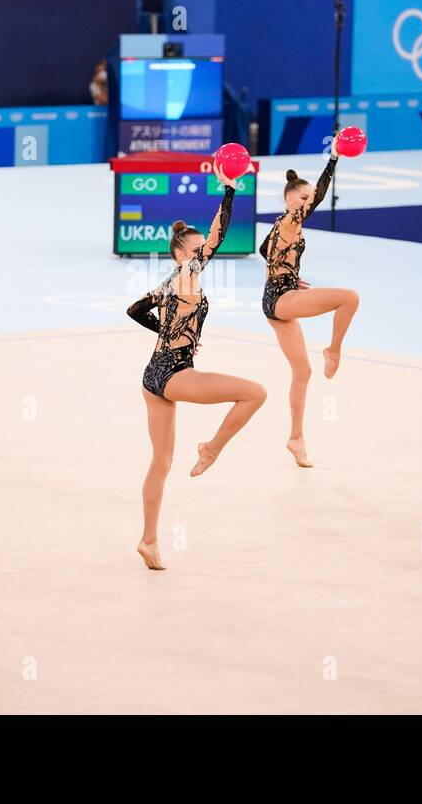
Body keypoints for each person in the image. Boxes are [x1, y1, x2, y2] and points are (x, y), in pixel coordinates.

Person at [126, 175, 266, 570]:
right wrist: (230, 189)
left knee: (161, 462)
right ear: (183, 252)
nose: (205, 247)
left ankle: (149, 539)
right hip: (175, 375)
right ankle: (212, 448)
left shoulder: (170, 282)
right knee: (254, 392)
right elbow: (218, 236)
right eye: (198, 245)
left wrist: (172, 334)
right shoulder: (189, 272)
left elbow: (135, 310)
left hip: (152, 376)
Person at [260, 150, 360, 469]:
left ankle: (296, 437)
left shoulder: (285, 223)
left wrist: (287, 273)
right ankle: (333, 350)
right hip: (280, 299)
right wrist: (332, 161)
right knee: (349, 298)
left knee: (302, 372)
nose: (309, 201)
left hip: (278, 296)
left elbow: (265, 249)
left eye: (309, 197)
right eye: (303, 197)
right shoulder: (290, 220)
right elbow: (314, 200)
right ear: (290, 200)